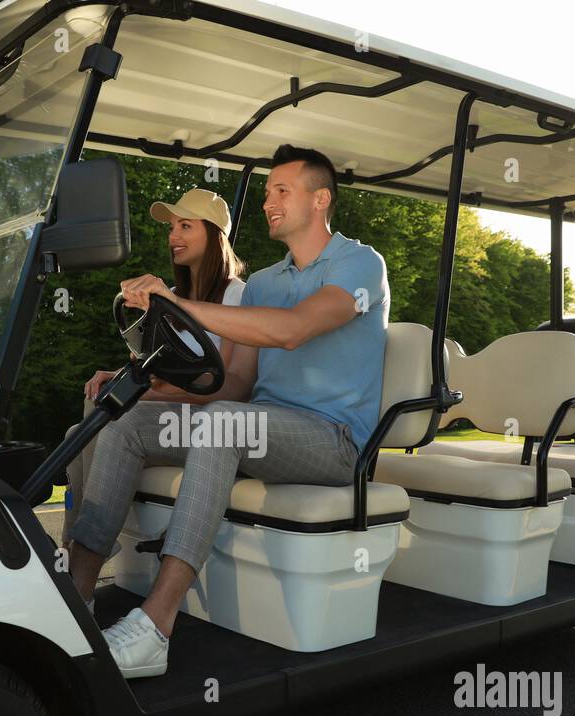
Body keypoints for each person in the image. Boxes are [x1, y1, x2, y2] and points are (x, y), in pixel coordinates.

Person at [67, 144, 390, 678]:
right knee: (121, 421)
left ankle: (155, 625)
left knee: (223, 425)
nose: (268, 202)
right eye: (266, 192)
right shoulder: (263, 282)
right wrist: (146, 391)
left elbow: (292, 331)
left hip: (333, 442)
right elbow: (237, 382)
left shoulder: (359, 264)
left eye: (281, 190)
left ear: (320, 199)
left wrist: (173, 303)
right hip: (261, 430)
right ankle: (76, 596)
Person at [62, 187, 252, 543]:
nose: (173, 236)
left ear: (213, 234)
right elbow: (149, 365)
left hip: (207, 419)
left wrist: (141, 392)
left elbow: (224, 383)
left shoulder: (237, 296)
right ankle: (73, 545)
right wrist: (120, 376)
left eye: (185, 226)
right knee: (80, 427)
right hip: (171, 411)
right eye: (171, 228)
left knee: (102, 413)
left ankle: (80, 550)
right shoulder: (173, 298)